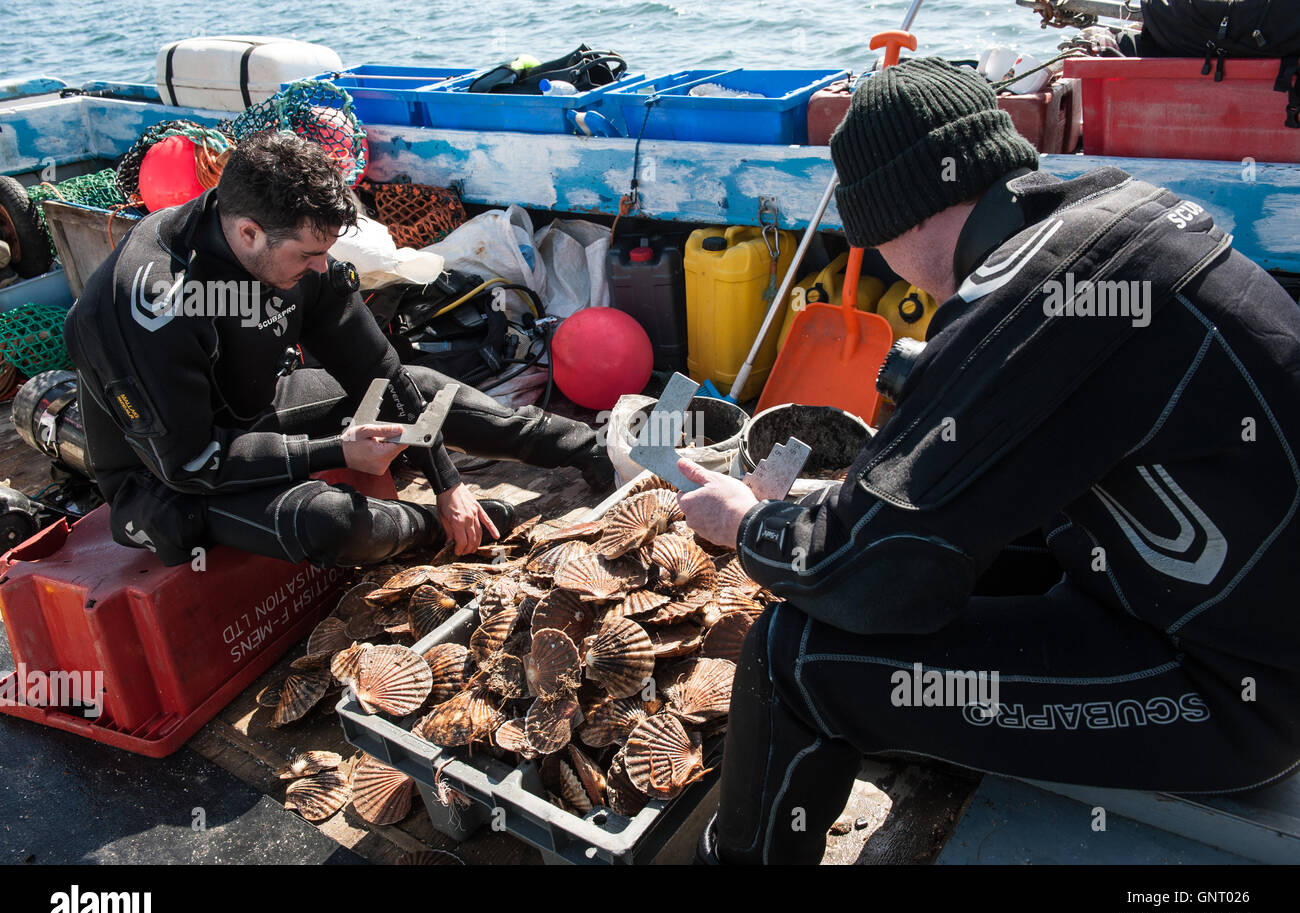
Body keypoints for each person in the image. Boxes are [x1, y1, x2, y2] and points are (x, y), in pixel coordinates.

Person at [678, 58, 1300, 864]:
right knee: (944, 547)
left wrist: (748, 524)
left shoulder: (1023, 302)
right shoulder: (1120, 217)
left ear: (899, 219)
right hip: (1211, 602)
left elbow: (870, 574)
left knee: (791, 655)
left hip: (1234, 698)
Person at [64, 130, 613, 569]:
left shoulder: (295, 248)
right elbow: (191, 462)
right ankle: (434, 532)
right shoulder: (151, 306)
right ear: (251, 234)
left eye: (326, 252)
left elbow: (376, 369)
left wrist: (448, 482)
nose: (322, 268)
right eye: (309, 255)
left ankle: (589, 450)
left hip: (255, 408)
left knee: (420, 390)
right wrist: (333, 451)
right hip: (165, 473)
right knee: (328, 521)